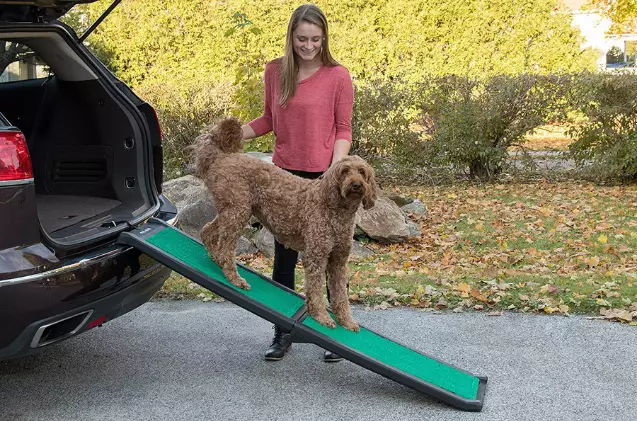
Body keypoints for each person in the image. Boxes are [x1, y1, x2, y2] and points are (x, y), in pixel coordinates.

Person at [241, 4, 354, 362]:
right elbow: (268, 120)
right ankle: (282, 331)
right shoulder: (276, 71)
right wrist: (234, 135)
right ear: (291, 36)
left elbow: (343, 129)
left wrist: (334, 173)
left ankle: (333, 332)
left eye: (316, 39)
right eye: (302, 38)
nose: (308, 45)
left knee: (333, 257)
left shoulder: (338, 75)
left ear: (324, 39)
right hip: (284, 178)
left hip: (325, 181)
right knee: (285, 258)